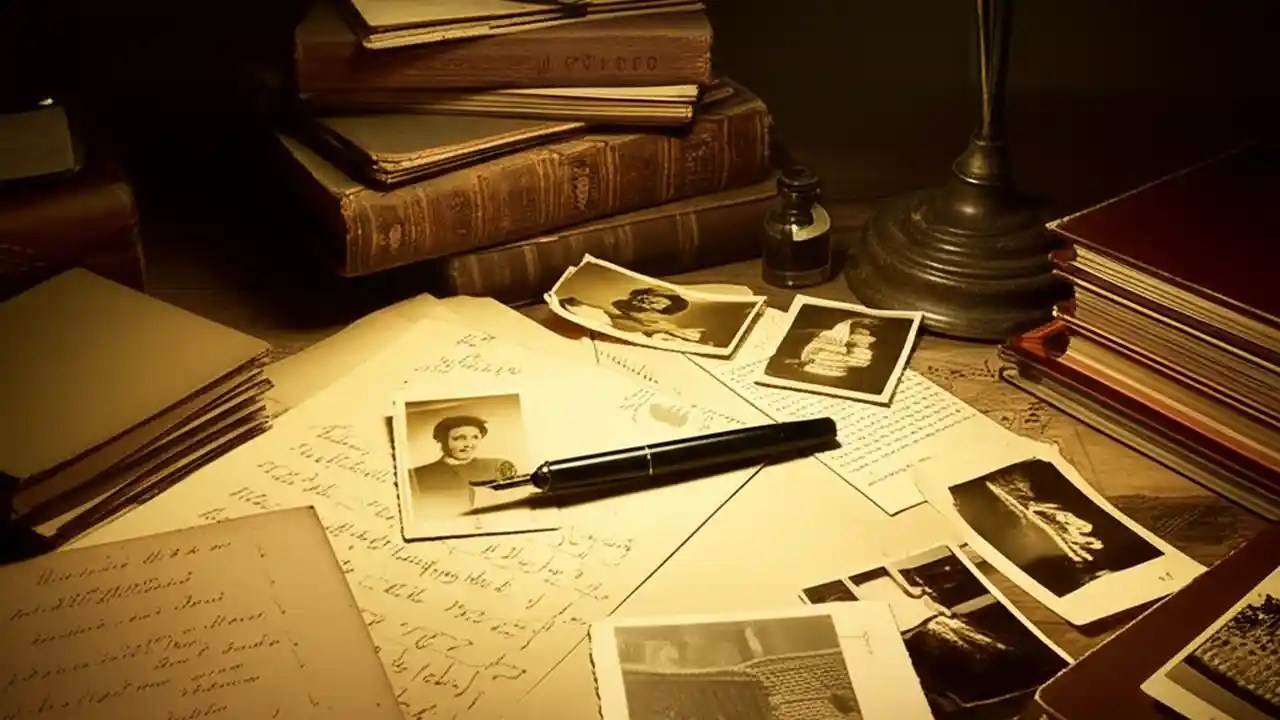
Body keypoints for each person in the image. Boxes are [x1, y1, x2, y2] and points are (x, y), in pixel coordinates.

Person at [411, 415, 517, 518]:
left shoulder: (497, 467)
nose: (468, 444)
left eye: (475, 437)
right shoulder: (418, 475)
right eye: (459, 438)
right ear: (442, 440)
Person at [560, 286, 706, 343]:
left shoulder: (644, 319)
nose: (652, 303)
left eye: (659, 306)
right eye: (659, 300)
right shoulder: (620, 299)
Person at [792, 318, 878, 378]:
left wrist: (839, 348)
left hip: (831, 343)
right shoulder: (812, 366)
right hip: (838, 352)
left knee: (841, 331)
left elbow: (820, 344)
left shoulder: (806, 354)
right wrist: (841, 351)